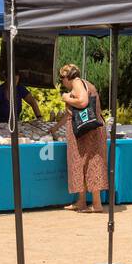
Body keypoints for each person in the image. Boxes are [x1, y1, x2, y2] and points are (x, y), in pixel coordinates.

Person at [55, 63, 107, 214]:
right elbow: (73, 112)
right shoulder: (82, 84)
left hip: (87, 132)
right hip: (87, 132)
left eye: (62, 77)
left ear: (68, 76)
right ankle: (81, 201)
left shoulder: (77, 83)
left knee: (92, 163)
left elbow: (83, 102)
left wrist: (65, 98)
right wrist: (56, 128)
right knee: (81, 163)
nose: (61, 81)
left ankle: (96, 204)